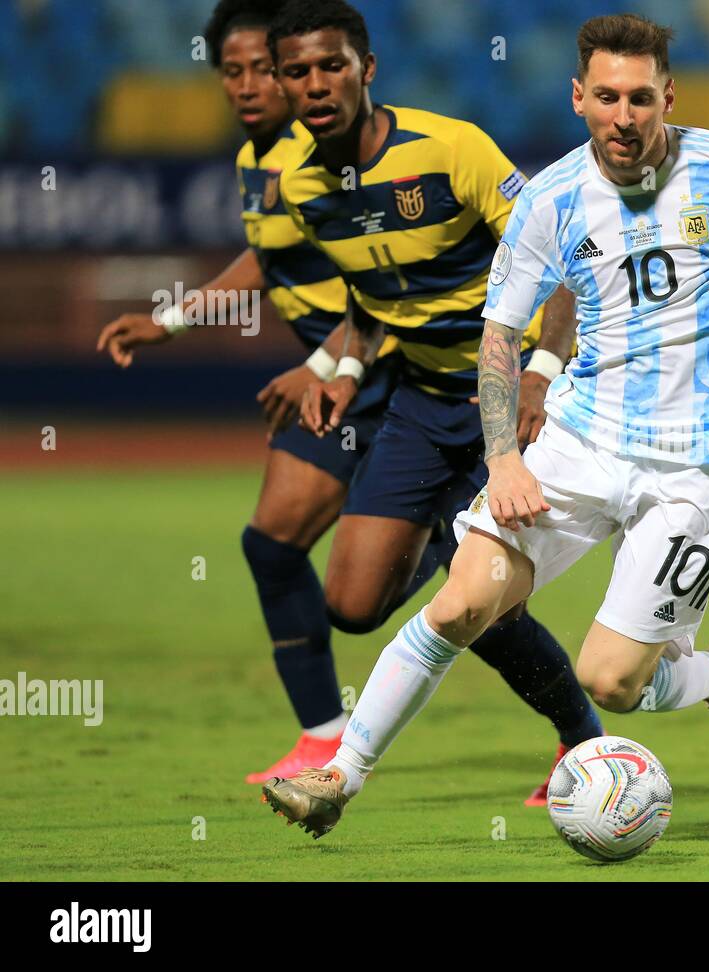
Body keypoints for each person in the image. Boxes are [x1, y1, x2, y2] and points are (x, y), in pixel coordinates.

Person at [262, 13, 709, 839]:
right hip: (581, 444)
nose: (625, 116)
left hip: (692, 465)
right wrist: (506, 458)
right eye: (609, 98)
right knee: (459, 605)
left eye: (643, 98)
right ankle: (340, 778)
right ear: (579, 98)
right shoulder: (549, 201)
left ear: (669, 97)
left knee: (614, 683)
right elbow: (498, 339)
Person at [98, 0, 599, 801]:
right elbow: (372, 298)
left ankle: (584, 744)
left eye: (332, 65)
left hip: (508, 399)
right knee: (353, 604)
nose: (313, 83)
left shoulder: (451, 147)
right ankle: (444, 555)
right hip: (421, 397)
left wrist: (540, 370)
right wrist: (344, 371)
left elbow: (565, 255)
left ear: (367, 69)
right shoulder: (298, 184)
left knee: (483, 607)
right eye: (296, 71)